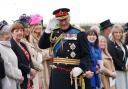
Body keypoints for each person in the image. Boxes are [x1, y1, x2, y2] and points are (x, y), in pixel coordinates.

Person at [39, 8, 93, 89]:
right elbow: (42, 45)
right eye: (60, 20)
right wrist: (47, 30)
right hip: (57, 74)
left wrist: (81, 68)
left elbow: (86, 55)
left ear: (69, 18)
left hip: (74, 73)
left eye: (65, 19)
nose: (63, 23)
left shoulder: (79, 33)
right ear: (57, 21)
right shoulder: (54, 33)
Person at [10, 21, 36, 89]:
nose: (19, 32)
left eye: (21, 30)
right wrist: (29, 70)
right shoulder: (11, 45)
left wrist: (32, 69)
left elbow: (29, 60)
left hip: (28, 77)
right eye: (17, 31)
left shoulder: (23, 44)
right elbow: (17, 63)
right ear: (12, 33)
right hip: (20, 77)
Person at [0, 20, 23, 89]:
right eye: (5, 34)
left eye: (9, 33)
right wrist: (19, 75)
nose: (9, 36)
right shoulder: (1, 47)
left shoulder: (8, 46)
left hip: (14, 81)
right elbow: (7, 68)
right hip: (8, 84)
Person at [108, 24, 128, 89]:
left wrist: (126, 65)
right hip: (117, 71)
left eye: (120, 32)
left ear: (122, 33)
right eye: (116, 32)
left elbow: (125, 57)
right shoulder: (110, 44)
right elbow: (114, 58)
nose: (118, 34)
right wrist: (123, 67)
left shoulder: (123, 44)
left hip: (124, 70)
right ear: (113, 33)